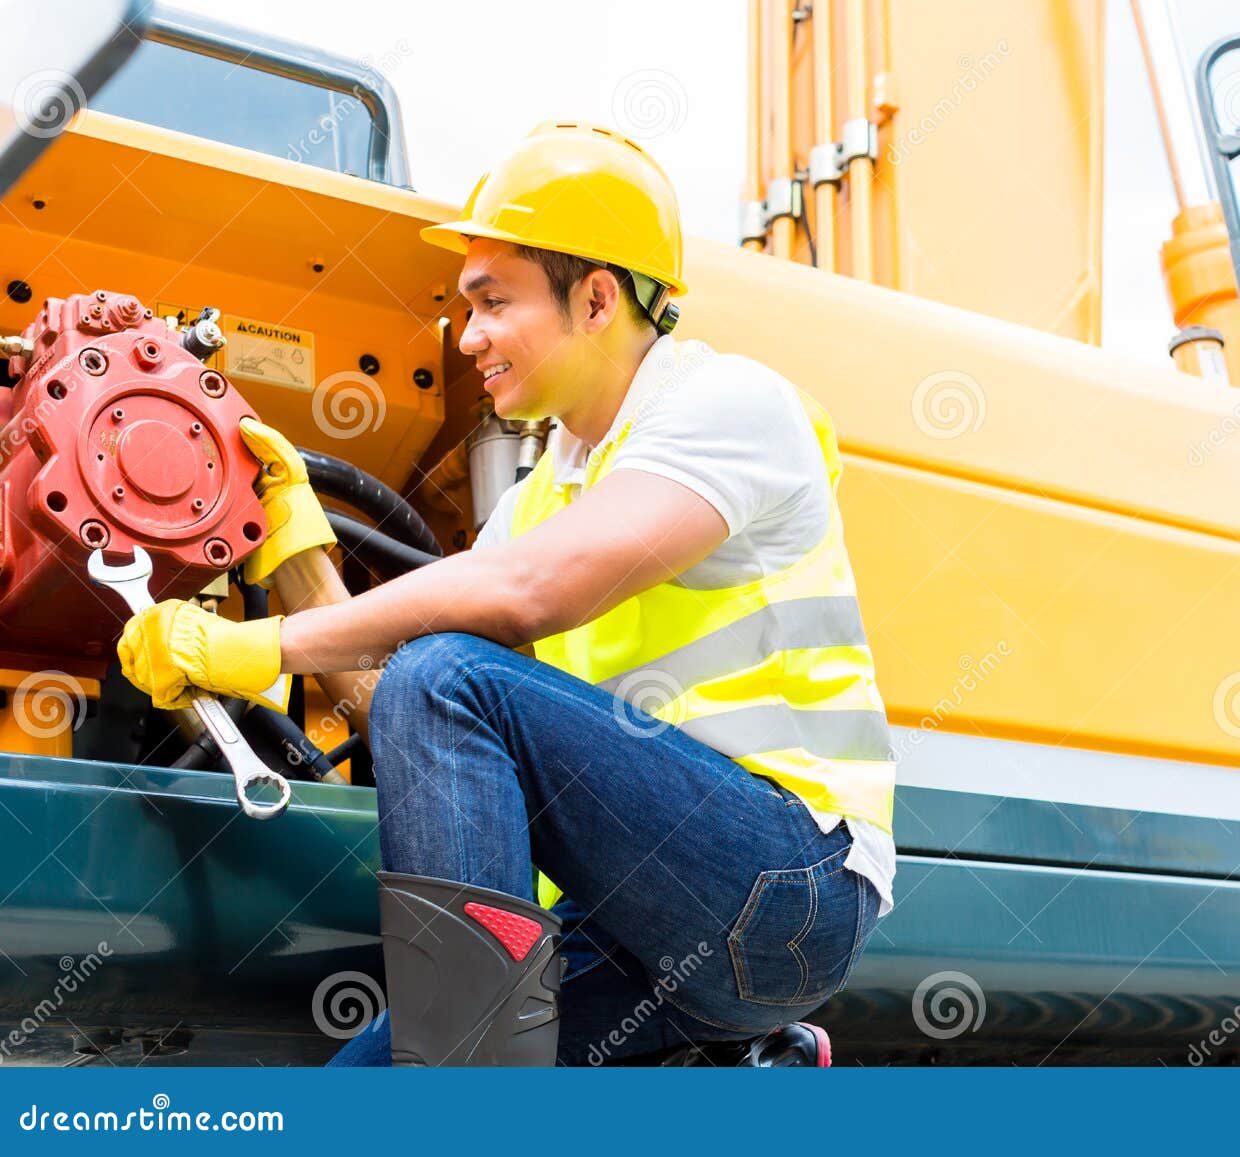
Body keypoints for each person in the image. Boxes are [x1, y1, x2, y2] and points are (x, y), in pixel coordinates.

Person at [116, 122, 897, 1067]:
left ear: (599, 297)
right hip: (645, 923)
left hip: (786, 880)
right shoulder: (544, 493)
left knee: (450, 679)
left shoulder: (730, 408)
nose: (466, 334)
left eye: (493, 302)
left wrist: (262, 645)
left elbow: (525, 598)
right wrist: (294, 533)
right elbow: (388, 691)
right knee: (360, 1090)